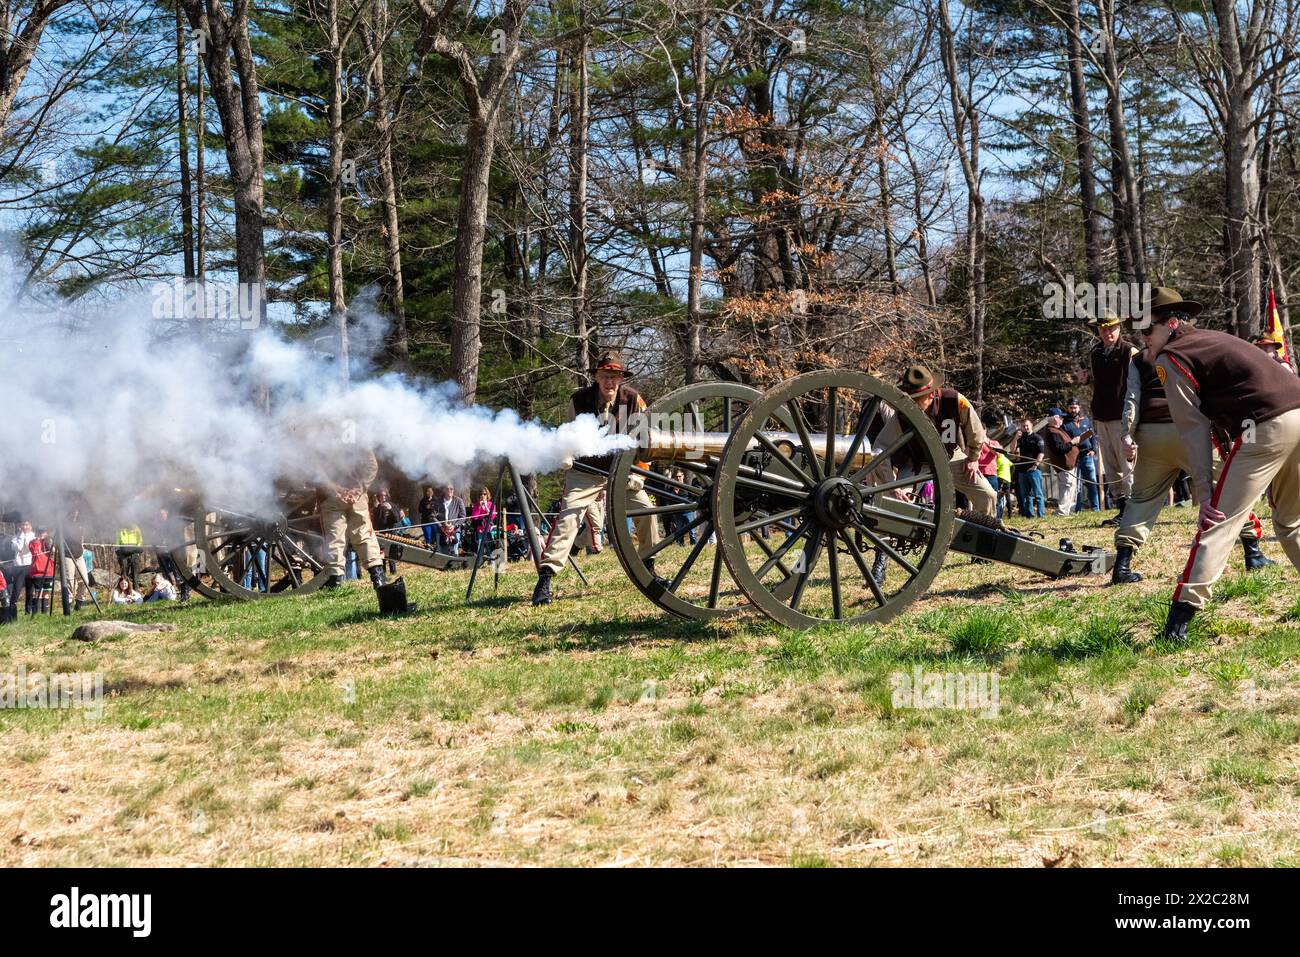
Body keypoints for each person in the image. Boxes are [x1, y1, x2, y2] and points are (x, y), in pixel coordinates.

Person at [1142, 287, 1300, 640]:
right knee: (1291, 523)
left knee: (1218, 522)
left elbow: (1192, 429)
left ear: (1169, 324)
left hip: (1267, 425)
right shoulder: (1211, 339)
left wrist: (1204, 492)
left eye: (1146, 330)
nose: (1143, 340)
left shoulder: (1172, 356)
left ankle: (1176, 627)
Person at [1112, 339, 1273, 586]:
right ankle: (1253, 553)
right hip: (1191, 433)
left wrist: (1127, 434)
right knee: (1229, 490)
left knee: (1142, 499)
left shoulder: (1139, 358)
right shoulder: (1194, 349)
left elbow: (1131, 399)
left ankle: (1121, 566)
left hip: (1152, 435)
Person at [532, 350, 661, 606]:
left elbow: (648, 439)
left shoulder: (634, 400)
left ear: (621, 378)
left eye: (615, 377)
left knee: (647, 511)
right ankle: (545, 580)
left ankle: (649, 568)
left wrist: (640, 472)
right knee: (568, 519)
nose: (610, 382)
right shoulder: (579, 400)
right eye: (605, 376)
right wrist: (566, 454)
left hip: (622, 472)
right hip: (585, 473)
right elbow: (567, 433)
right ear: (597, 378)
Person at [875, 363, 997, 517]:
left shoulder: (955, 400)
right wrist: (892, 487)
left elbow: (976, 430)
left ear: (931, 394)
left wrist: (973, 458)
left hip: (952, 458)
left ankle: (984, 534)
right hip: (918, 463)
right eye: (910, 398)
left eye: (918, 399)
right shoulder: (903, 413)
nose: (912, 404)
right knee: (897, 503)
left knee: (988, 496)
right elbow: (880, 447)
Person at [1079, 313, 1139, 525]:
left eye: (1111, 328)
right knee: (1112, 468)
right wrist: (1086, 381)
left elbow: (1137, 385)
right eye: (1103, 328)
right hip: (1102, 417)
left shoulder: (1129, 351)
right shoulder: (1095, 353)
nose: (1107, 332)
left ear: (1119, 328)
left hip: (1123, 418)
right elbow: (1099, 384)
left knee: (1127, 466)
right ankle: (1122, 510)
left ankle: (1134, 512)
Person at [320, 446, 388, 591]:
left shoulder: (320, 432)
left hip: (331, 498)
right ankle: (378, 578)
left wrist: (335, 490)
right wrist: (359, 489)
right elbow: (371, 464)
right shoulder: (357, 433)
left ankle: (335, 582)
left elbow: (314, 470)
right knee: (364, 535)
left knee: (335, 539)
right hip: (356, 496)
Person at [1064, 398, 1100, 513]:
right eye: (1071, 407)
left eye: (1075, 407)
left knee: (1092, 483)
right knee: (1076, 485)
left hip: (1087, 455)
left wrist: (1094, 449)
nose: (1073, 410)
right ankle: (1077, 510)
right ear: (1067, 408)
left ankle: (1096, 508)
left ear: (1079, 407)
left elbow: (1092, 436)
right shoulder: (1065, 423)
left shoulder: (1085, 421)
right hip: (1074, 458)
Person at [1043, 407, 1081, 513]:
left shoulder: (1055, 430)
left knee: (1071, 487)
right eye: (1060, 418)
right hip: (1064, 465)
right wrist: (1072, 443)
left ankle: (1069, 510)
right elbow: (1059, 449)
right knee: (1066, 487)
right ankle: (1062, 511)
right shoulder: (1052, 432)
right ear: (1055, 418)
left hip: (1068, 464)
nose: (1062, 420)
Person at [1011, 418, 1046, 518]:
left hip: (1034, 471)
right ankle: (1030, 515)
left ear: (1031, 425)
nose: (1025, 428)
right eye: (1023, 426)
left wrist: (1035, 465)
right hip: (1022, 471)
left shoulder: (1037, 438)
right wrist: (1015, 438)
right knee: (1026, 495)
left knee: (1038, 494)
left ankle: (1041, 515)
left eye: (1027, 425)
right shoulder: (1020, 438)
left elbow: (1041, 453)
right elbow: (1012, 450)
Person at [28, 527, 56, 614]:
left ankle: (44, 614)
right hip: (38, 572)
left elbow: (53, 552)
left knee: (46, 592)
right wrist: (38, 540)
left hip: (49, 571)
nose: (41, 534)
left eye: (43, 532)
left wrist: (49, 542)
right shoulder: (33, 542)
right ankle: (36, 613)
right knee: (38, 593)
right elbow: (34, 551)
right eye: (39, 532)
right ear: (36, 533)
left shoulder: (49, 541)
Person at [435, 484, 466, 556]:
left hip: (454, 530)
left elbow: (463, 516)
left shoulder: (459, 501)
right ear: (444, 490)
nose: (449, 490)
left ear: (453, 490)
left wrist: (454, 526)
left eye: (451, 489)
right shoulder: (438, 502)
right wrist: (441, 526)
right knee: (441, 552)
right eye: (447, 489)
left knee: (454, 551)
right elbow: (433, 516)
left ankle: (454, 566)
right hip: (441, 531)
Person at [115, 521, 144, 586]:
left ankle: (136, 592)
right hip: (123, 554)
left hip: (134, 553)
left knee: (135, 575)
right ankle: (123, 591)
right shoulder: (120, 529)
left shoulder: (136, 528)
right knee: (124, 574)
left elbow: (140, 541)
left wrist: (138, 552)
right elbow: (117, 541)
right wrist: (118, 553)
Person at [470, 487, 497, 556]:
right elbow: (474, 518)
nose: (482, 496)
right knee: (479, 546)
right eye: (480, 494)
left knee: (489, 546)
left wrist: (486, 506)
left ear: (487, 495)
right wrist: (479, 507)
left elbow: (492, 517)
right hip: (480, 529)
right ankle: (479, 562)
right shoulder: (476, 505)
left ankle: (491, 561)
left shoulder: (491, 504)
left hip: (489, 529)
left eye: (484, 494)